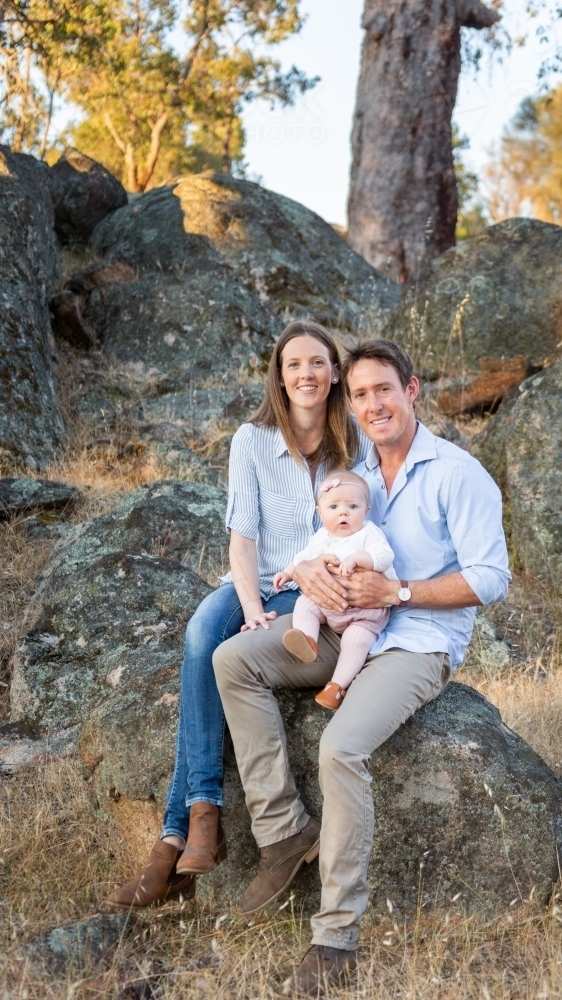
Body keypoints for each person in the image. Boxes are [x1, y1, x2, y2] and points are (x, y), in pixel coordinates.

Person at [212, 338, 511, 997]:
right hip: (345, 627)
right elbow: (320, 540)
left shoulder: (457, 473)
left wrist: (398, 592)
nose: (373, 405)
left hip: (416, 642)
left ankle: (335, 938)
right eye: (359, 395)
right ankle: (284, 831)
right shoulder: (355, 476)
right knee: (232, 659)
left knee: (341, 748)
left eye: (383, 390)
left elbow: (491, 578)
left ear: (411, 391)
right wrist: (310, 570)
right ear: (348, 405)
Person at [104, 320, 367, 912]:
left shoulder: (353, 440)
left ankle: (175, 841)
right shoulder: (251, 440)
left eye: (318, 362)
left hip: (308, 594)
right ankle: (203, 808)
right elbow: (241, 540)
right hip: (255, 583)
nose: (306, 373)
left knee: (221, 662)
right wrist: (250, 610)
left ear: (335, 373)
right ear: (279, 375)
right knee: (203, 634)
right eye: (294, 364)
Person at [275, 469, 396, 709]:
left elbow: (384, 556)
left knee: (356, 640)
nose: (343, 512)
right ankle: (307, 640)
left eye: (352, 506)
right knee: (305, 603)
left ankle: (336, 687)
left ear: (366, 510)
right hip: (328, 603)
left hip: (364, 611)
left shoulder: (368, 533)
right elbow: (303, 558)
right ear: (319, 512)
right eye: (333, 507)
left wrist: (359, 558)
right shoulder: (321, 537)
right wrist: (288, 572)